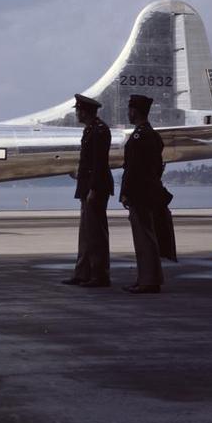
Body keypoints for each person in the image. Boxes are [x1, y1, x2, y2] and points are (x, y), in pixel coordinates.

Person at [62, 94, 114, 288]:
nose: (77, 113)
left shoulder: (99, 131)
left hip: (95, 188)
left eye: (78, 110)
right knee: (86, 233)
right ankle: (83, 272)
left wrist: (93, 188)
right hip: (88, 186)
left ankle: (100, 275)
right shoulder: (91, 130)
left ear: (85, 111)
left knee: (96, 233)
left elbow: (99, 164)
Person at [120, 94, 166, 294]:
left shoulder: (139, 136)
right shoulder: (153, 134)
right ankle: (148, 278)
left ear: (134, 111)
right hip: (149, 190)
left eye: (130, 109)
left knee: (144, 238)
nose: (128, 113)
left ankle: (148, 280)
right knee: (148, 236)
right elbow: (157, 166)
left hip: (140, 193)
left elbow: (133, 169)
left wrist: (126, 193)